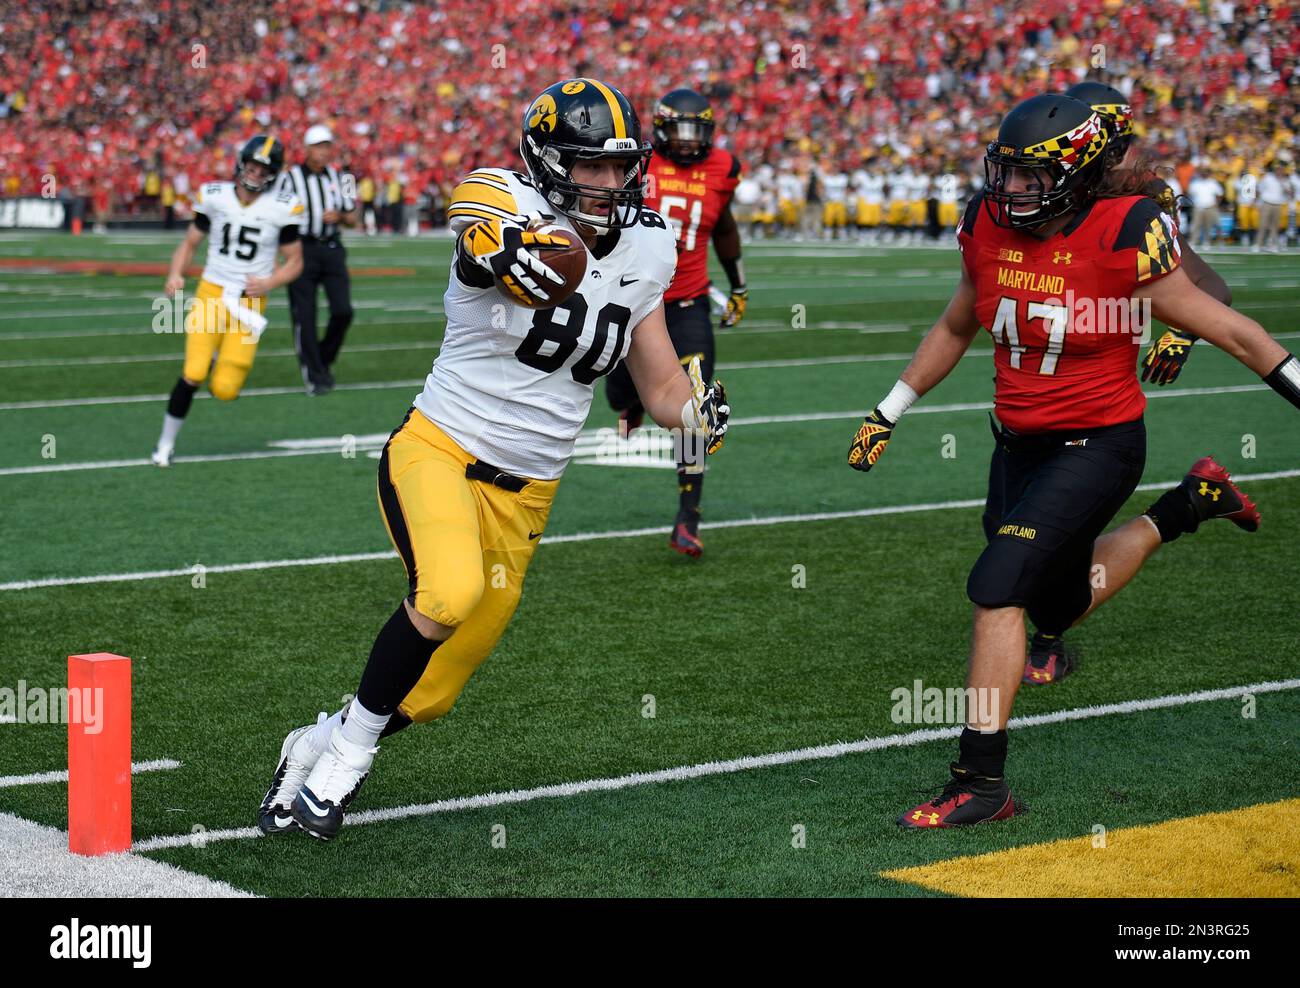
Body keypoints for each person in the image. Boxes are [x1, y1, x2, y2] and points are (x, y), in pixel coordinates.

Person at [257, 79, 732, 841]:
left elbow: (658, 375)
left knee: (436, 690)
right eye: (590, 166)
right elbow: (474, 202)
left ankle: (314, 740)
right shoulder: (508, 202)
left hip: (530, 492)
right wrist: (503, 244)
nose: (610, 183)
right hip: (440, 449)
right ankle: (346, 759)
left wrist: (694, 413)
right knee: (445, 594)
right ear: (547, 162)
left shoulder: (648, 244)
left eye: (619, 167)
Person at [846, 94, 1300, 828]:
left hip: (1099, 442)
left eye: (1033, 176)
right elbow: (958, 321)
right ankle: (1186, 505)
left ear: (1084, 173)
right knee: (1053, 604)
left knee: (998, 585)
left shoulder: (1126, 229)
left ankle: (981, 782)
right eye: (1010, 173)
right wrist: (888, 409)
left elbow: (1236, 331)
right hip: (1017, 442)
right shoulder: (985, 223)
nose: (1014, 190)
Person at [603, 87, 747, 556]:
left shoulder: (723, 168)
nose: (688, 142)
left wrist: (738, 284)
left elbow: (723, 225)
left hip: (688, 303)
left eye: (696, 132)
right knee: (619, 392)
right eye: (679, 132)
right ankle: (633, 400)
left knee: (695, 410)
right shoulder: (637, 166)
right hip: (635, 299)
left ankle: (688, 515)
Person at [149, 136, 304, 467]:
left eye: (264, 169)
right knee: (193, 372)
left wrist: (271, 282)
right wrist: (175, 273)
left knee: (225, 389)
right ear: (241, 163)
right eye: (252, 165)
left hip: (249, 302)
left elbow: (295, 262)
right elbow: (190, 243)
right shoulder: (215, 196)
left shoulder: (283, 206)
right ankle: (164, 445)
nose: (256, 173)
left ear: (273, 174)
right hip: (212, 292)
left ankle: (220, 354)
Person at [280, 125, 359, 395]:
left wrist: (339, 216)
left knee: (343, 311)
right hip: (302, 249)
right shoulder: (289, 179)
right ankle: (315, 376)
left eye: (326, 146)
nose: (323, 151)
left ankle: (323, 359)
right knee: (306, 315)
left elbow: (353, 218)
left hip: (332, 247)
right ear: (307, 149)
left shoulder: (342, 178)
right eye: (318, 146)